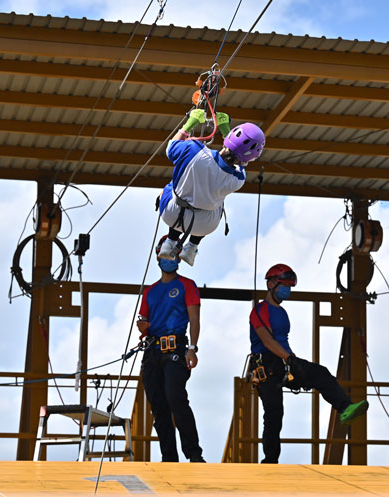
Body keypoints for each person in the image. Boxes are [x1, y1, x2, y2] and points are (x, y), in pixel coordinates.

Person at [249, 263, 369, 464]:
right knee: (274, 412)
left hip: (285, 360)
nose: (287, 290)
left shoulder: (282, 313)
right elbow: (268, 341)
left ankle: (345, 408)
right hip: (268, 364)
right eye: (283, 285)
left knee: (320, 373)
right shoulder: (260, 310)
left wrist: (291, 360)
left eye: (289, 286)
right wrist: (289, 359)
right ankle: (270, 460)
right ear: (271, 284)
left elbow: (282, 341)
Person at [157, 108, 266, 265]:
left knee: (173, 186)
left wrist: (190, 123)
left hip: (172, 214)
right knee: (217, 202)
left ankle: (170, 242)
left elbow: (171, 148)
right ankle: (192, 248)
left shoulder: (194, 150)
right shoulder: (238, 179)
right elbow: (237, 159)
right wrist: (225, 130)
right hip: (204, 225)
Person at [136, 236, 205, 463]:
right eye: (167, 254)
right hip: (153, 351)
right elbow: (143, 319)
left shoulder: (187, 285)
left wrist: (192, 348)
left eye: (176, 254)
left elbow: (194, 318)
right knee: (158, 406)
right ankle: (169, 457)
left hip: (176, 347)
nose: (171, 258)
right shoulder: (150, 291)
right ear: (159, 257)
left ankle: (194, 454)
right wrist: (142, 325)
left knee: (175, 397)